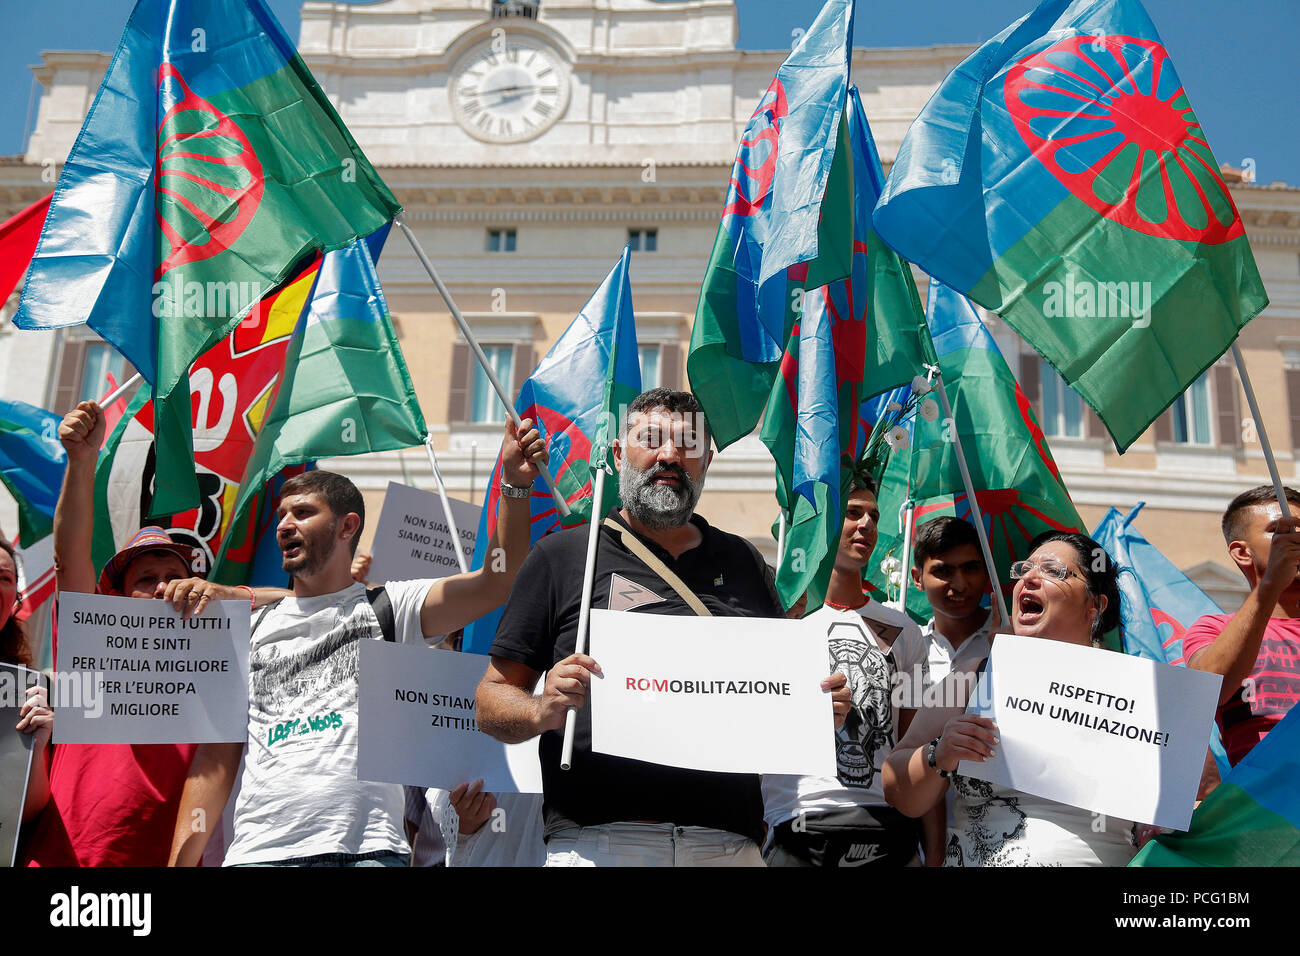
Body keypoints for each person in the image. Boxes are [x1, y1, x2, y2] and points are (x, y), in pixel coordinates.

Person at [475, 387, 850, 867]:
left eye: (688, 444)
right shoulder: (564, 557)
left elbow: (775, 694)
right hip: (601, 845)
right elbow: (491, 701)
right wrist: (540, 711)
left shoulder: (744, 562)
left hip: (729, 847)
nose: (670, 455)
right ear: (617, 453)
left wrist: (815, 709)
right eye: (651, 438)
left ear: (707, 461)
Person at [169, 418, 546, 867]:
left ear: (348, 526)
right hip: (258, 855)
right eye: (282, 516)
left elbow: (497, 581)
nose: (285, 525)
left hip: (367, 852)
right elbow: (215, 761)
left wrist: (515, 486)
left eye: (303, 513)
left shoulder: (393, 606)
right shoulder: (249, 628)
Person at [23, 400, 285, 867]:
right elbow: (69, 558)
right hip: (69, 857)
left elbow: (303, 604)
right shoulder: (93, 644)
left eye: (174, 574)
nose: (165, 586)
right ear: (117, 599)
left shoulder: (214, 662)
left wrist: (227, 594)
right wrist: (81, 462)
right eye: (146, 579)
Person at [883, 531, 1137, 866]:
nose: (1028, 578)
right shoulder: (973, 678)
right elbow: (898, 791)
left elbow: (1197, 800)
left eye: (1052, 571)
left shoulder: (1138, 691)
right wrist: (938, 754)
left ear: (1095, 605)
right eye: (1024, 570)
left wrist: (1166, 822)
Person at [762, 477, 942, 867]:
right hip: (798, 821)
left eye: (874, 515)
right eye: (852, 513)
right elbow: (746, 726)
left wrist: (934, 851)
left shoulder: (905, 630)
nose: (867, 525)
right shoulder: (777, 616)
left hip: (886, 825)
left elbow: (915, 746)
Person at [1186, 485, 1300, 765]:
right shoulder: (1213, 629)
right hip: (1264, 800)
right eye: (1282, 530)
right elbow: (1206, 691)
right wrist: (1270, 586)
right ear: (1242, 553)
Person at [2, 538, 52, 828]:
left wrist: (36, 746)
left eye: (4, 578)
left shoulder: (27, 691)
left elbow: (26, 813)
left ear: (14, 599)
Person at [911, 516, 998, 684]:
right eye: (943, 571)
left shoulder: (1013, 637)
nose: (960, 585)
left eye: (970, 568)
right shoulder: (908, 647)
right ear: (917, 579)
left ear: (987, 572)